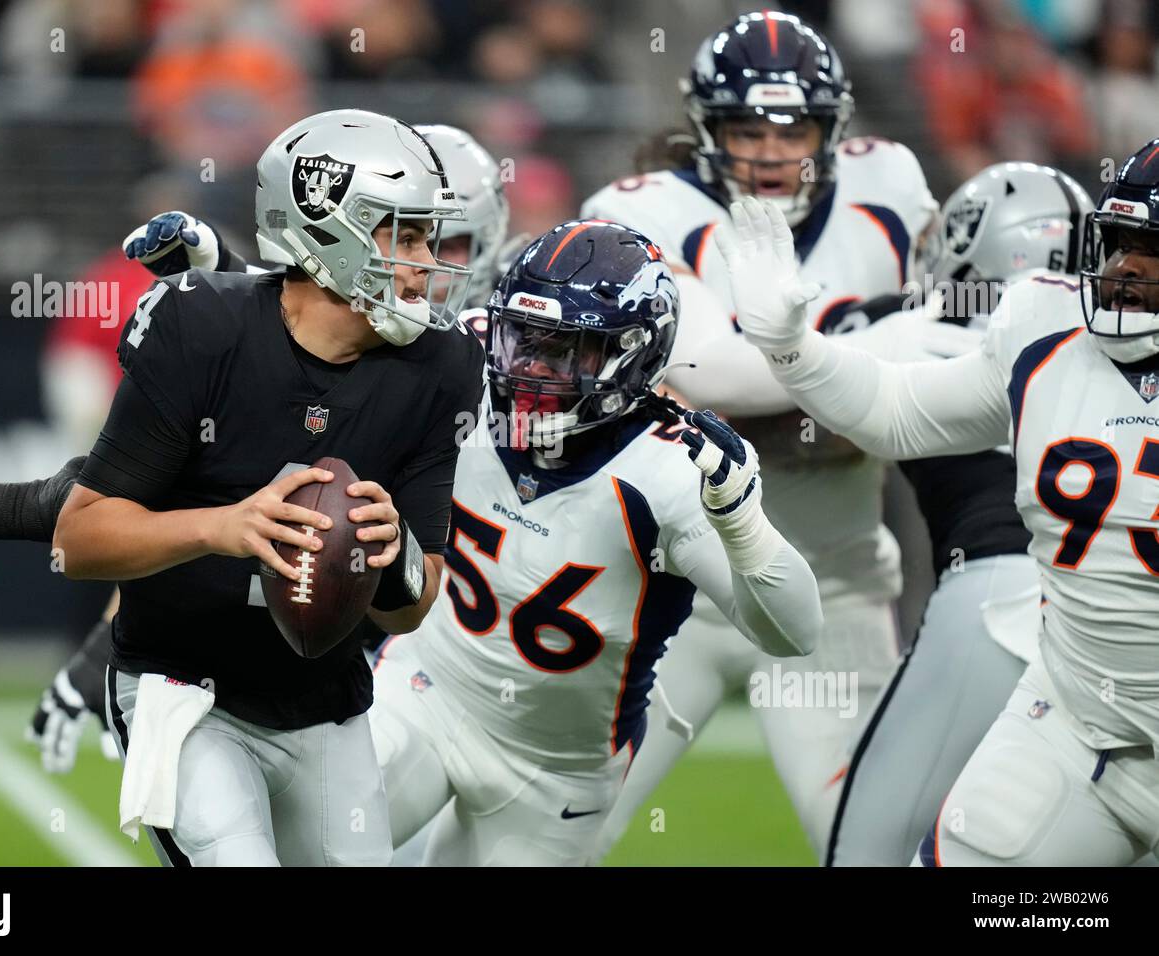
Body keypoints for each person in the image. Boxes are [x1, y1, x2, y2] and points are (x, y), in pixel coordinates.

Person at [54, 108, 485, 867]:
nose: (428, 262)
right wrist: (220, 528)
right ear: (331, 231)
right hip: (184, 690)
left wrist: (395, 556)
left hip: (328, 704)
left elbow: (415, 609)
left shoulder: (441, 368)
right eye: (408, 235)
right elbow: (80, 539)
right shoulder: (204, 327)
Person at [719, 137, 1159, 866]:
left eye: (1155, 252)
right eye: (1120, 244)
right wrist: (793, 347)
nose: (1127, 270)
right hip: (1072, 727)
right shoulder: (1045, 330)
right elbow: (898, 410)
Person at [581, 9, 938, 857]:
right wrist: (856, 381)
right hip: (668, 592)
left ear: (834, 130)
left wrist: (785, 400)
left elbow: (921, 385)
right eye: (748, 128)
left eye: (796, 129)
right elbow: (706, 381)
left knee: (867, 848)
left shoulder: (888, 186)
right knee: (563, 832)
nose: (773, 152)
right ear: (707, 129)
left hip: (839, 582)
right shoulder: (645, 210)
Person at [369, 219, 822, 865]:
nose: (530, 367)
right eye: (524, 339)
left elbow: (794, 634)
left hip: (555, 774)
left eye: (565, 349)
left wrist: (743, 525)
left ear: (635, 354)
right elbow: (331, 345)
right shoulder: (464, 367)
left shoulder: (671, 472)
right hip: (423, 690)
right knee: (314, 846)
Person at [824, 161, 1094, 865]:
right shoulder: (1109, 345)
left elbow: (771, 396)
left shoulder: (903, 327)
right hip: (1112, 616)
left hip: (996, 599)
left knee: (870, 856)